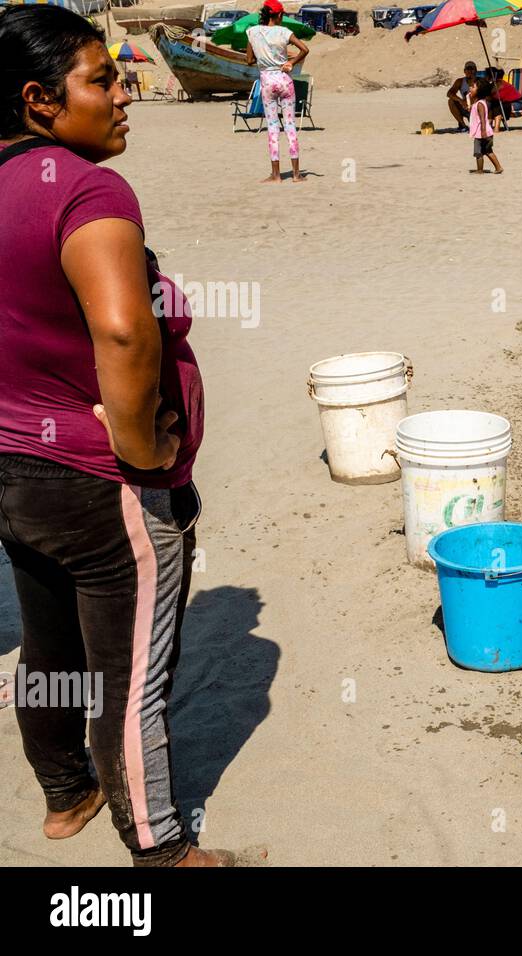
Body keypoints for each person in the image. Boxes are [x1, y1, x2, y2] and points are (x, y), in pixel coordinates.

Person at [0, 4, 231, 866]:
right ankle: (162, 848)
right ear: (39, 100)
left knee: (49, 640)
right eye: (102, 80)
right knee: (132, 677)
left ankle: (67, 795)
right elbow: (127, 333)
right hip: (97, 478)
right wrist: (143, 459)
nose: (124, 93)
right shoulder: (90, 189)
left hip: (15, 468)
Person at [244, 0, 309, 183]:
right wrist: (291, 63)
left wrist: (260, 55)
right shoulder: (284, 32)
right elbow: (305, 49)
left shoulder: (252, 32)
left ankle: (276, 175)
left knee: (273, 127)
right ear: (279, 15)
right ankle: (296, 174)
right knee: (290, 126)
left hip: (267, 82)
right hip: (284, 81)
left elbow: (249, 60)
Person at [468, 78, 501, 174]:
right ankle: (498, 167)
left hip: (481, 133)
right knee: (488, 151)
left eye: (473, 87)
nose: (470, 88)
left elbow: (482, 118)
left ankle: (480, 170)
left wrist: (483, 131)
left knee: (478, 152)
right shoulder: (479, 103)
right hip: (486, 132)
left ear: (480, 91)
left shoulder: (479, 104)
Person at [446, 60, 477, 132]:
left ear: (475, 70)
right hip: (465, 106)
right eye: (468, 69)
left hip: (477, 108)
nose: (470, 71)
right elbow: (449, 93)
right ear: (464, 71)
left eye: (472, 69)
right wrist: (461, 101)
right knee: (451, 101)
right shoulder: (460, 81)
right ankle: (463, 125)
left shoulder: (480, 81)